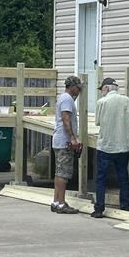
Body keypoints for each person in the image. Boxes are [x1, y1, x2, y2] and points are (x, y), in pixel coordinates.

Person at [92, 77, 129, 218]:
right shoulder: (126, 101)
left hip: (105, 146)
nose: (102, 92)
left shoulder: (102, 102)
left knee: (101, 179)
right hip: (123, 145)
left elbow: (97, 122)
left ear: (106, 88)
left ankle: (99, 209)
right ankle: (125, 206)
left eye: (102, 89)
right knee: (123, 177)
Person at [51, 75, 83, 214]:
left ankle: (56, 202)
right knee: (63, 174)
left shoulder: (64, 98)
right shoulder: (67, 99)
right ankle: (62, 203)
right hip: (64, 142)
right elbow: (66, 118)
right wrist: (72, 138)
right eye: (78, 88)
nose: (79, 91)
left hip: (59, 140)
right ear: (72, 87)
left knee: (59, 172)